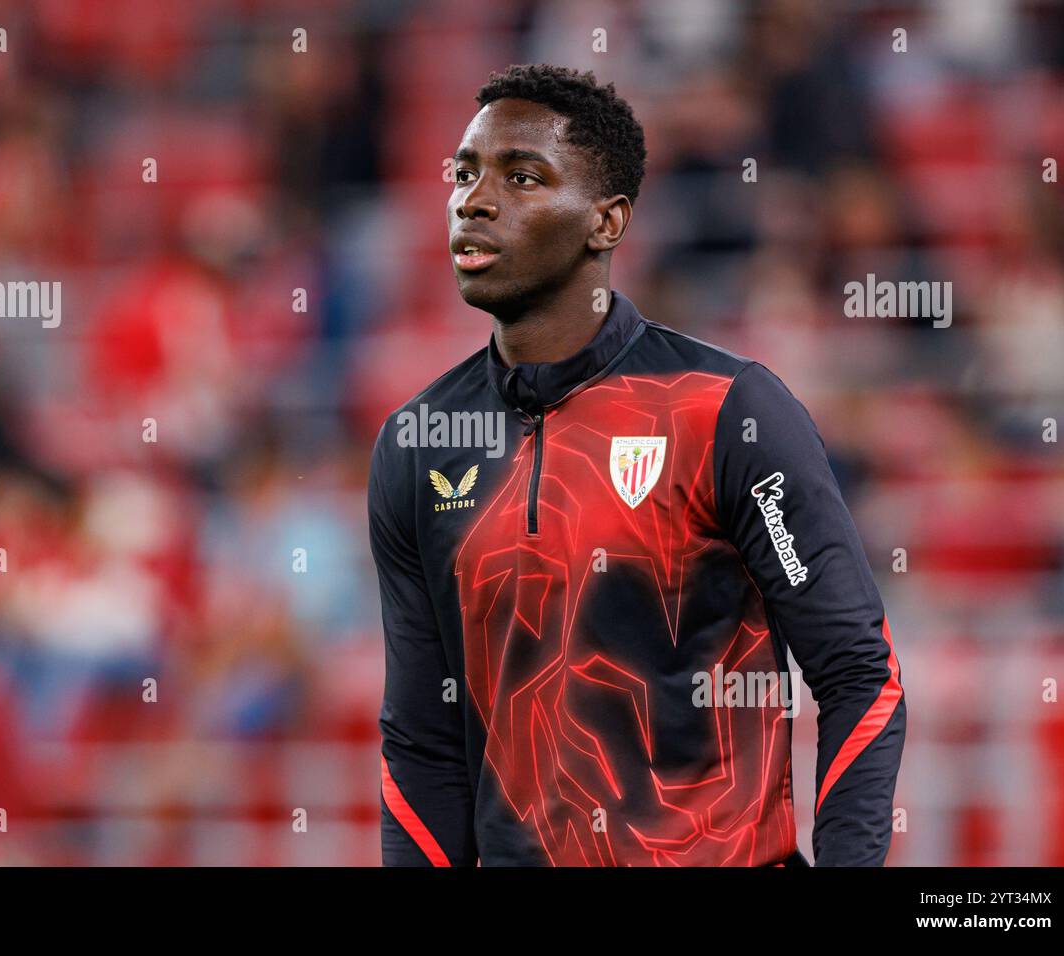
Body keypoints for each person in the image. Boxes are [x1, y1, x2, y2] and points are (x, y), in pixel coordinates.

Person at [368, 64, 904, 866]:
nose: (472, 200)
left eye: (521, 177)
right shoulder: (418, 443)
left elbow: (861, 676)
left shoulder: (729, 410)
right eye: (464, 173)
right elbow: (421, 744)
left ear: (606, 222)